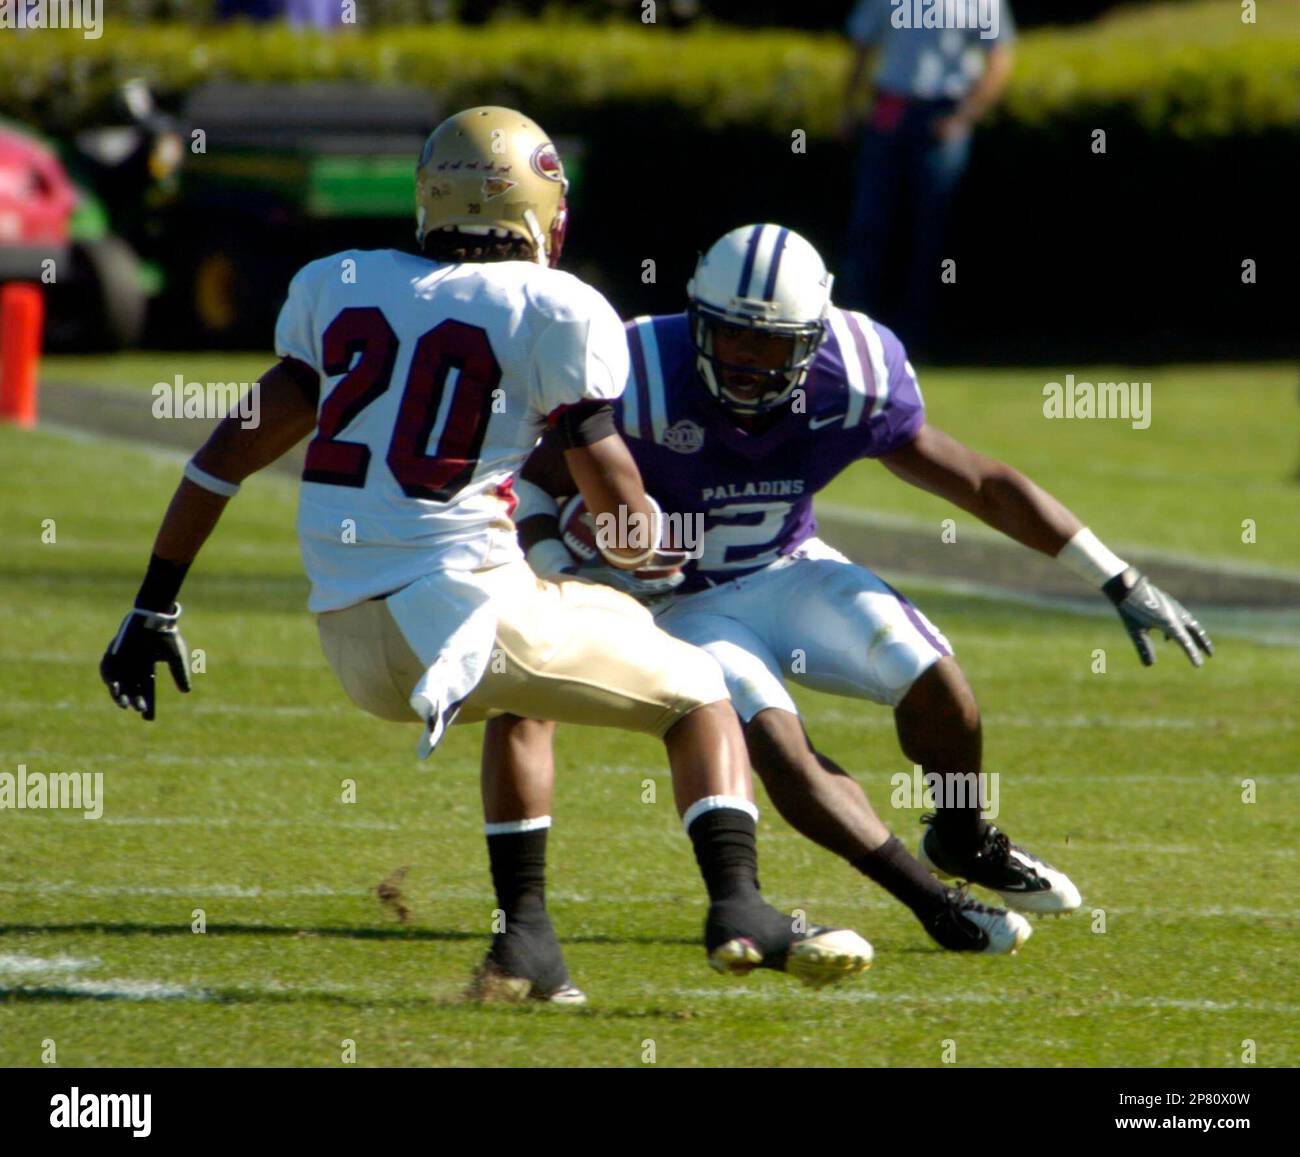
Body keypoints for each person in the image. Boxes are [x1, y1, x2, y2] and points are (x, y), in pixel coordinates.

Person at [98, 114, 873, 1004]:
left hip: (353, 637)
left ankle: (526, 948)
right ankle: (744, 908)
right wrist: (654, 550)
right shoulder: (557, 306)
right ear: (542, 205)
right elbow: (621, 512)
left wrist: (153, 605)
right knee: (700, 692)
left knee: (526, 700)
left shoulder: (339, 285)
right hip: (462, 614)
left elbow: (222, 456)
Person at [515, 223, 1214, 954]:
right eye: (731, 337)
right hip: (679, 602)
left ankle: (963, 837)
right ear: (697, 321)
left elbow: (982, 484)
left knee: (942, 689)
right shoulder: (638, 370)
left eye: (772, 342)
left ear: (813, 338)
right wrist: (558, 569)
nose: (749, 361)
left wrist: (1115, 574)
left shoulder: (855, 372)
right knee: (781, 744)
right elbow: (533, 481)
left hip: (788, 566)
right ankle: (934, 903)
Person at [839, 0, 1016, 350]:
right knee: (869, 226)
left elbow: (1000, 56)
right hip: (891, 107)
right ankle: (853, 334)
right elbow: (862, 46)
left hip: (943, 111)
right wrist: (848, 106)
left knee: (932, 231)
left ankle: (918, 337)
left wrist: (965, 116)